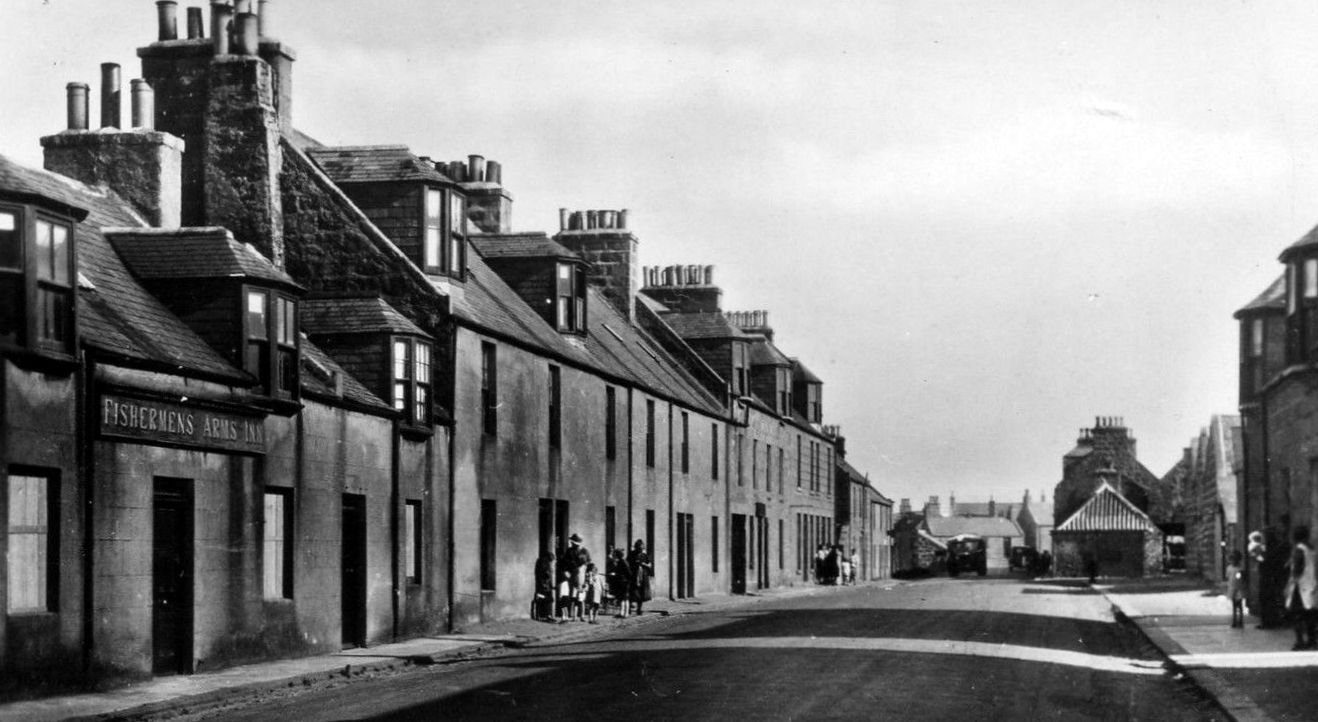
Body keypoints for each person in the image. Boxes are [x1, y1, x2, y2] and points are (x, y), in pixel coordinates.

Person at [1283, 526, 1317, 650]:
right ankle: (1312, 640)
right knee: (1310, 615)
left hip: (1300, 586)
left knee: (1296, 614)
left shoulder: (1299, 549)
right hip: (1311, 584)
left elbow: (1297, 568)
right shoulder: (1311, 549)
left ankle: (1300, 641)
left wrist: (1289, 584)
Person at [627, 539, 653, 615]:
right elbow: (628, 564)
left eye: (642, 548)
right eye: (639, 548)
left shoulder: (644, 555)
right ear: (636, 547)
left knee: (642, 593)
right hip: (634, 576)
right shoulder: (631, 554)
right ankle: (628, 609)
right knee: (632, 592)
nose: (640, 550)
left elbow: (649, 565)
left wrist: (644, 564)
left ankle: (639, 609)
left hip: (643, 577)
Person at [609, 547, 632, 617]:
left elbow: (629, 573)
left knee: (624, 598)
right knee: (623, 598)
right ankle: (623, 613)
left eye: (615, 554)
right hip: (622, 582)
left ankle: (625, 613)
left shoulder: (622, 562)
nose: (614, 555)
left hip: (624, 582)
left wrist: (627, 581)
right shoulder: (621, 561)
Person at [533, 551, 556, 621]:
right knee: (542, 599)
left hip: (545, 585)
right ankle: (541, 615)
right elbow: (546, 574)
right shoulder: (542, 564)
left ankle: (545, 615)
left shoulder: (542, 563)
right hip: (542, 585)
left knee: (547, 600)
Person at [1225, 550, 1244, 629]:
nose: (1233, 561)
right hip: (1233, 588)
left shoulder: (1240, 568)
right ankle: (1235, 621)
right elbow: (1228, 577)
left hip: (1238, 589)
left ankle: (1240, 621)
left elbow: (1239, 578)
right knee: (1234, 606)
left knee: (1239, 605)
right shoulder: (1230, 568)